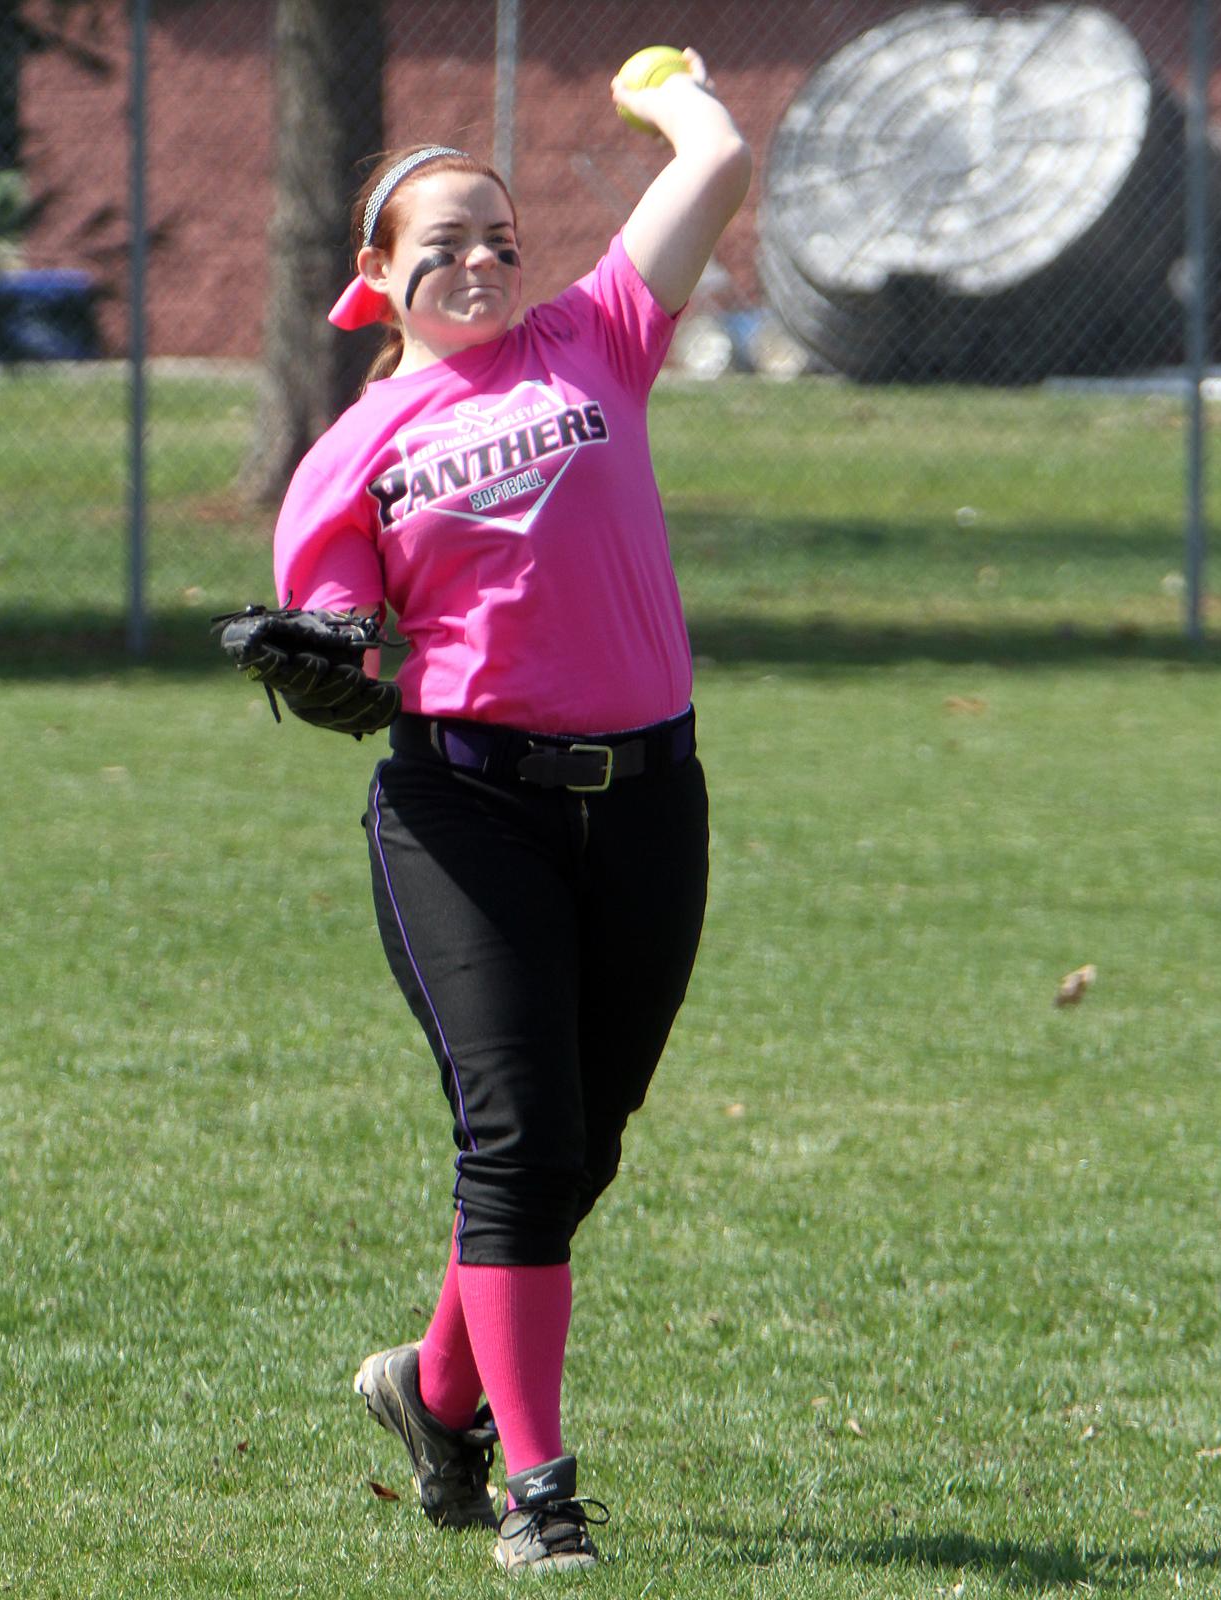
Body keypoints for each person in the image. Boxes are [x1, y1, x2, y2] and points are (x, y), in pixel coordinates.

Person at [270, 50, 751, 1575]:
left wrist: (664, 89)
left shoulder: (594, 336)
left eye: (495, 238)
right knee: (520, 1134)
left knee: (579, 1144)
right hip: (466, 813)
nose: (476, 263)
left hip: (648, 796)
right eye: (440, 247)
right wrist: (338, 649)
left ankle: (427, 1386)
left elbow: (717, 163)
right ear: (377, 277)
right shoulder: (350, 452)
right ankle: (534, 1488)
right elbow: (334, 608)